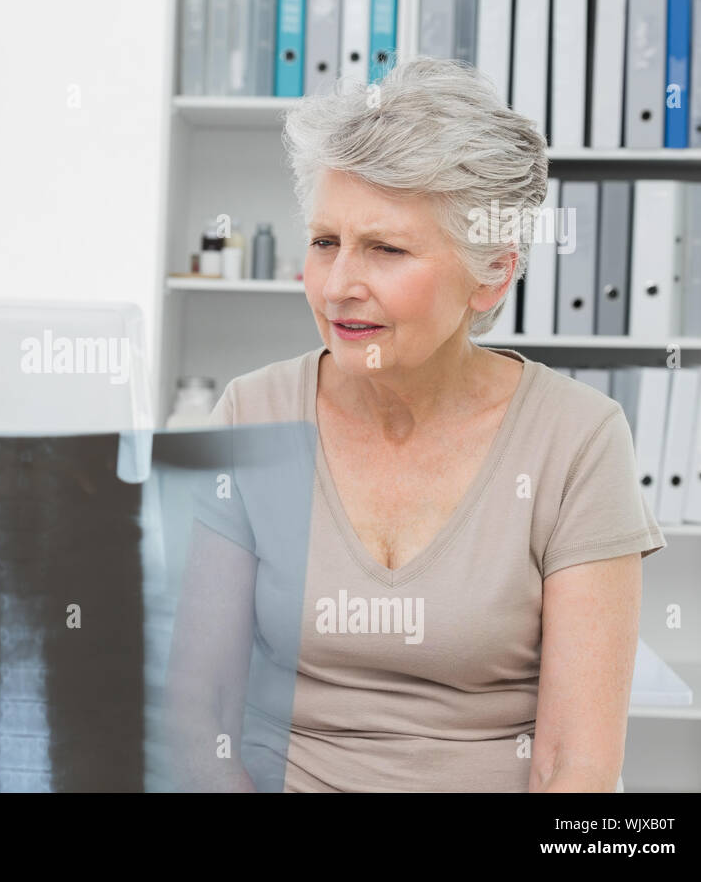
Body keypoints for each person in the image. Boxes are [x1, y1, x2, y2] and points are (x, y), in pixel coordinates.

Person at [169, 56, 667, 792]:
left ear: (492, 273)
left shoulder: (578, 439)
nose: (339, 286)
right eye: (324, 242)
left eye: (387, 249)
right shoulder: (252, 412)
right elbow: (194, 715)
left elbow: (577, 765)